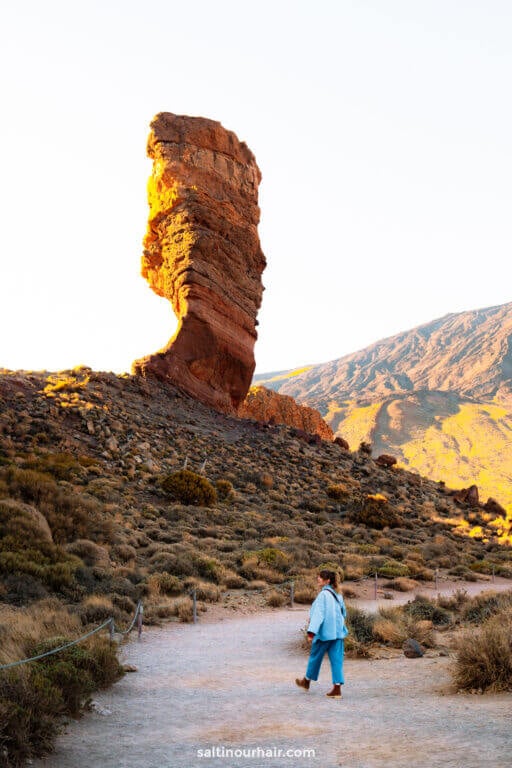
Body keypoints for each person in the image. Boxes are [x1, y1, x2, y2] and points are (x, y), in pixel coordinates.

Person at [295, 569, 348, 698]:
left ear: (327, 580)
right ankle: (337, 689)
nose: (317, 579)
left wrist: (311, 632)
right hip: (338, 633)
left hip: (325, 634)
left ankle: (306, 681)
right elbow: (344, 613)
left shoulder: (323, 595)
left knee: (315, 657)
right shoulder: (338, 595)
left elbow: (319, 614)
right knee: (337, 661)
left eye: (320, 577)